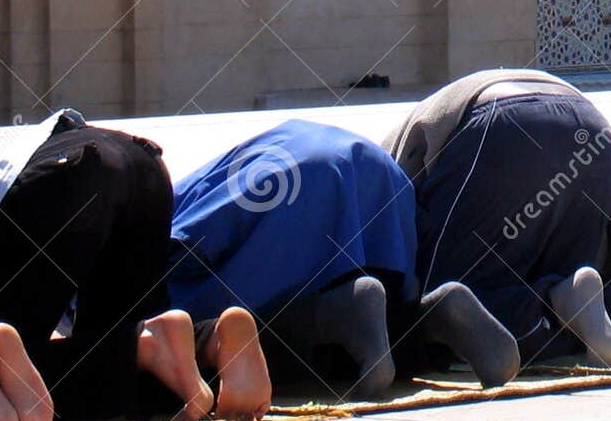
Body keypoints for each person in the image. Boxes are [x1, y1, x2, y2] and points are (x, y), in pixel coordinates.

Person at [169, 118, 522, 398]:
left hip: (293, 183)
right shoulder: (196, 178)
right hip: (374, 168)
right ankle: (429, 318)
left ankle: (341, 311)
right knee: (373, 326)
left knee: (231, 341)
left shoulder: (164, 206)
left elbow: (185, 239)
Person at [0, 111, 270, 421]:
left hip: (68, 175)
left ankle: (145, 343)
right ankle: (210, 344)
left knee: (6, 370)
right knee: (125, 361)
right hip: (141, 165)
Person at [386, 71, 611, 369]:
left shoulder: (382, 170)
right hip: (592, 129)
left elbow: (397, 247)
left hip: (501, 125)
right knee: (568, 287)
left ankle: (549, 307)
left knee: (444, 302)